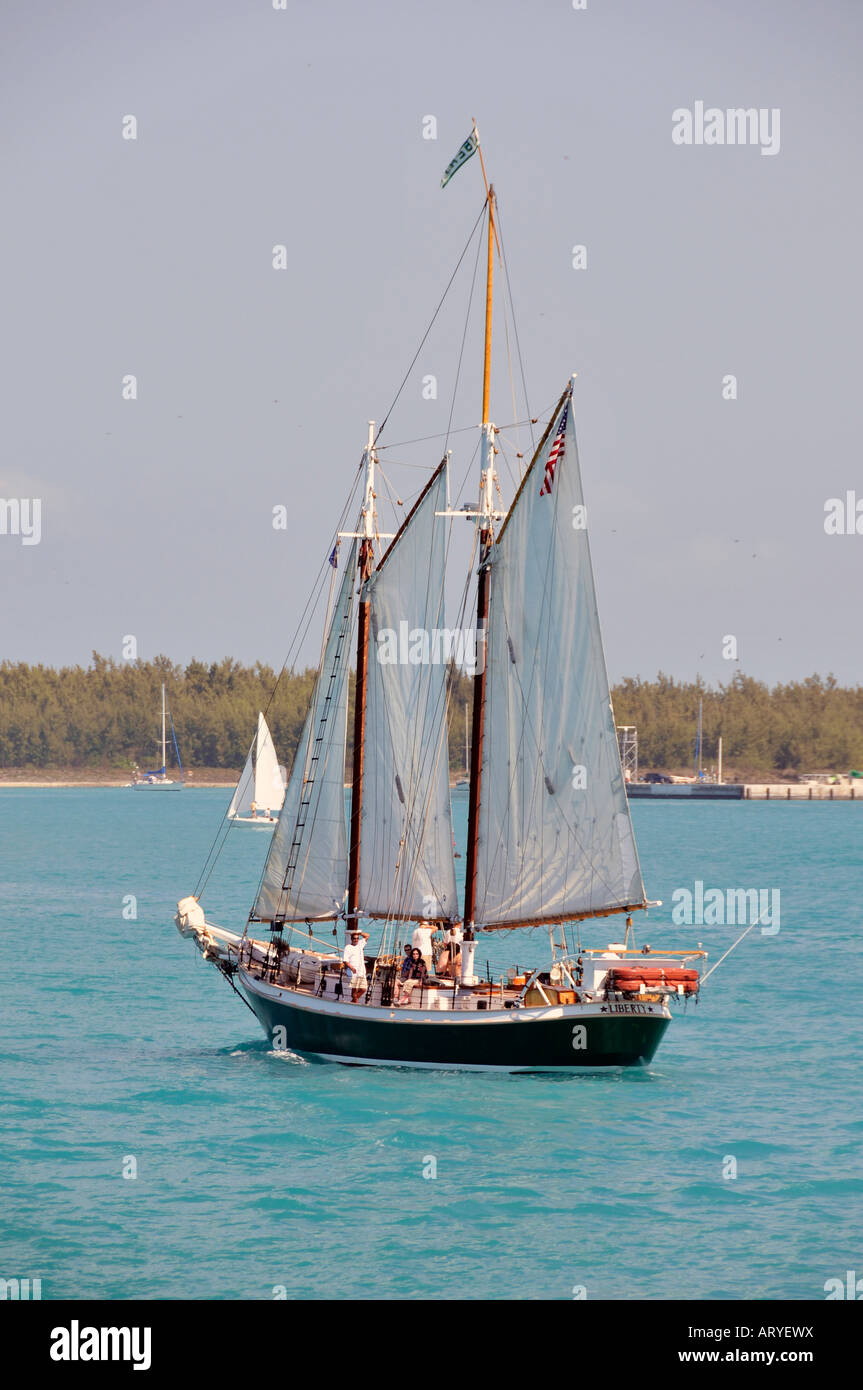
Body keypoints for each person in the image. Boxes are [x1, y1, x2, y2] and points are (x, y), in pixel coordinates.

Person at [342, 926, 370, 1003]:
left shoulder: (360, 944)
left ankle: (353, 1001)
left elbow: (367, 935)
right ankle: (355, 1003)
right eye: (354, 938)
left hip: (362, 971)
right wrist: (352, 968)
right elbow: (345, 961)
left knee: (363, 989)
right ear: (351, 939)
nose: (356, 940)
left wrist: (359, 933)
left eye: (357, 938)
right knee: (354, 990)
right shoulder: (348, 947)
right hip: (353, 972)